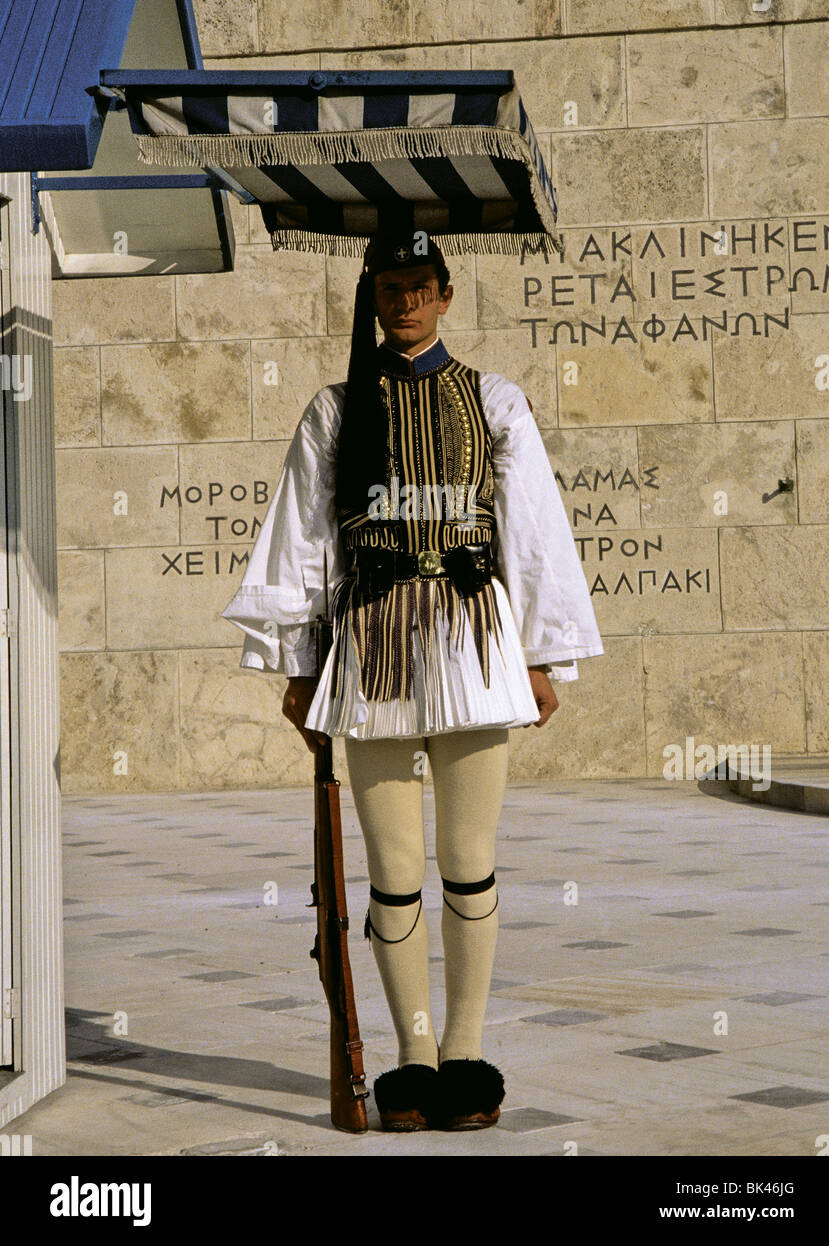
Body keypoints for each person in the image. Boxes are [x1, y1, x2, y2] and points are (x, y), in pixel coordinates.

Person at [220, 228, 603, 1132]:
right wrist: (299, 665)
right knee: (394, 875)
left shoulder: (495, 401)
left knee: (468, 867)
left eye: (420, 287)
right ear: (373, 296)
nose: (405, 303)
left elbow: (533, 529)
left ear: (445, 293)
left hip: (473, 642)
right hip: (373, 648)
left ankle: (466, 1059)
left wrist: (543, 655)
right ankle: (412, 1062)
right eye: (390, 288)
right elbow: (306, 542)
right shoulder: (334, 410)